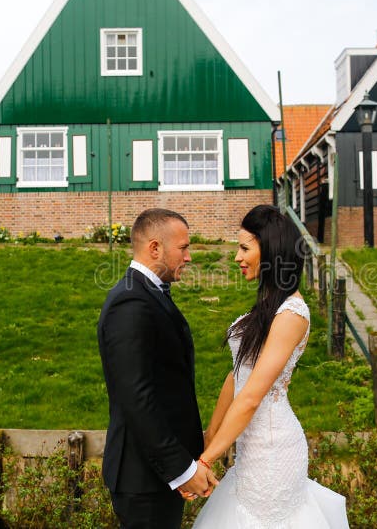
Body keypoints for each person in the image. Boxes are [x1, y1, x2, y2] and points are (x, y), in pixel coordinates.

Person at [193, 205, 349, 528]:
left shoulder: (292, 313)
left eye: (244, 248)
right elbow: (236, 377)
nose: (237, 257)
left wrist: (206, 461)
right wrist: (210, 437)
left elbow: (251, 397)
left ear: (270, 250)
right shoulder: (267, 307)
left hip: (274, 453)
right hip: (250, 450)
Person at [97, 208, 218, 529]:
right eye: (183, 248)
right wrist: (181, 469)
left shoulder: (147, 294)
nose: (189, 257)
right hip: (143, 478)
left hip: (155, 475)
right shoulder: (130, 302)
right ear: (155, 248)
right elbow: (137, 397)